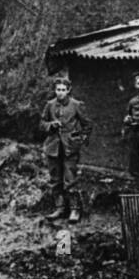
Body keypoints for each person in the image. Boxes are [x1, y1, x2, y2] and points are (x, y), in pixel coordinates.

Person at [39, 76, 92, 224]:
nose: (60, 93)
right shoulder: (49, 105)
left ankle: (75, 209)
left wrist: (80, 139)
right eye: (58, 90)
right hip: (53, 147)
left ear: (68, 90)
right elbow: (41, 123)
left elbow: (87, 125)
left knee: (70, 178)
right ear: (55, 91)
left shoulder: (76, 105)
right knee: (55, 179)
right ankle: (60, 208)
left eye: (63, 90)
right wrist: (50, 125)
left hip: (69, 148)